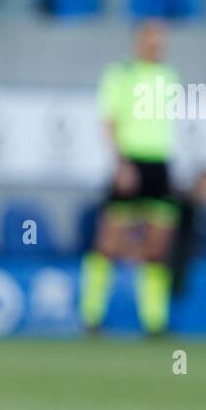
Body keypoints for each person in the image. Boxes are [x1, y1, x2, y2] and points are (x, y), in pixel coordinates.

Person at [80, 20, 181, 336]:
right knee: (109, 242)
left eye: (161, 38)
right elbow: (110, 120)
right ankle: (92, 316)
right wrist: (121, 162)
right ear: (138, 40)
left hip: (160, 163)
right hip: (131, 160)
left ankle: (154, 321)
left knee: (157, 245)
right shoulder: (120, 74)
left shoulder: (169, 77)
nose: (157, 43)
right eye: (151, 37)